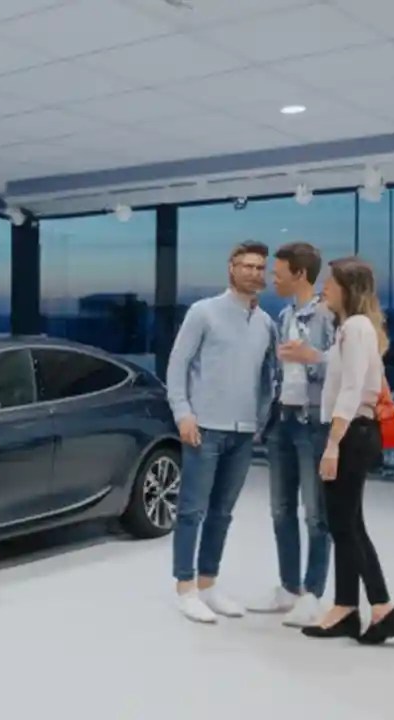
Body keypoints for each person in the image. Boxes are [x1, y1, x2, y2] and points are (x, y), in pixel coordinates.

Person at [166, 240, 278, 624]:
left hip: (243, 433)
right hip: (204, 428)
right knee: (191, 510)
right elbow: (177, 366)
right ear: (231, 268)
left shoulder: (266, 323)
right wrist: (183, 414)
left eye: (261, 267)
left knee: (222, 513)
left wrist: (261, 419)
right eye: (247, 266)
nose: (254, 273)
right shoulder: (204, 313)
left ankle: (209, 585)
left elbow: (268, 379)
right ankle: (185, 589)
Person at [302, 256, 394, 645]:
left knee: (344, 526)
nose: (324, 288)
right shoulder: (353, 329)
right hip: (354, 432)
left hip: (352, 433)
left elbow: (353, 389)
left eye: (331, 282)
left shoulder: (356, 328)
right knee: (346, 524)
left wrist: (332, 445)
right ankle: (346, 607)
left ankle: (382, 608)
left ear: (348, 289)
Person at [248, 242, 336, 627]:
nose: (272, 279)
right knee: (280, 509)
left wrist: (311, 359)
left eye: (278, 273)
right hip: (281, 421)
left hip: (314, 424)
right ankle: (288, 587)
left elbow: (343, 368)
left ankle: (313, 594)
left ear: (300, 274)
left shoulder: (327, 317)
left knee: (317, 514)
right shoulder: (281, 315)